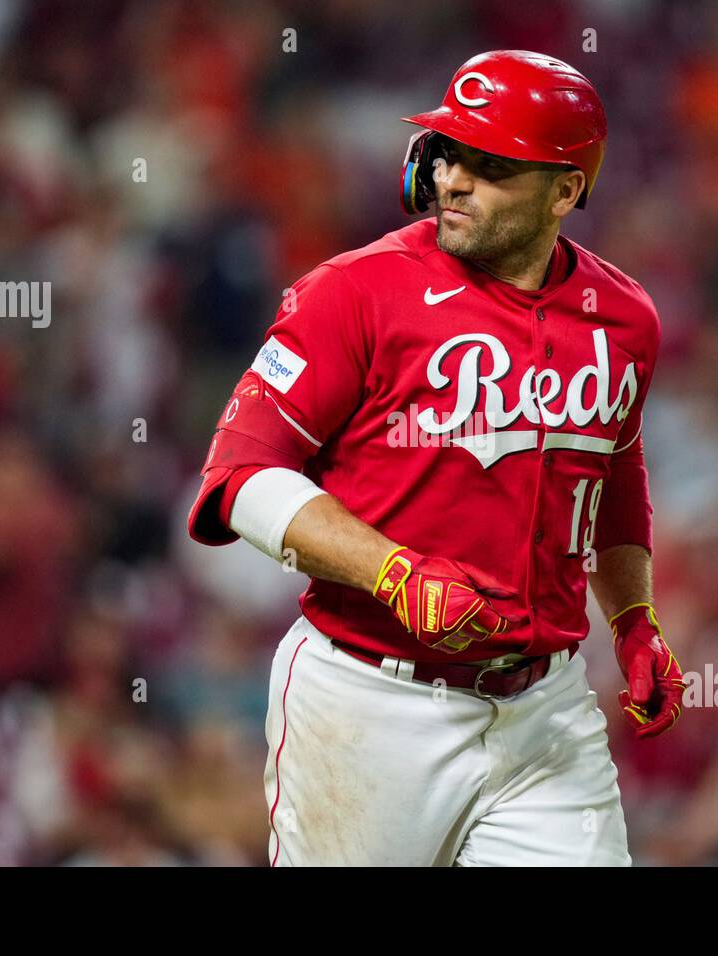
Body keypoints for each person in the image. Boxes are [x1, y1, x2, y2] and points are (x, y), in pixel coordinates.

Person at [188, 50, 685, 866]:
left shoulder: (623, 317)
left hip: (546, 712)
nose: (453, 178)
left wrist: (634, 621)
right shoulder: (353, 292)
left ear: (565, 190)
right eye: (447, 151)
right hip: (370, 700)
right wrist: (395, 573)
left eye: (490, 166)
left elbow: (613, 476)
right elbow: (238, 480)